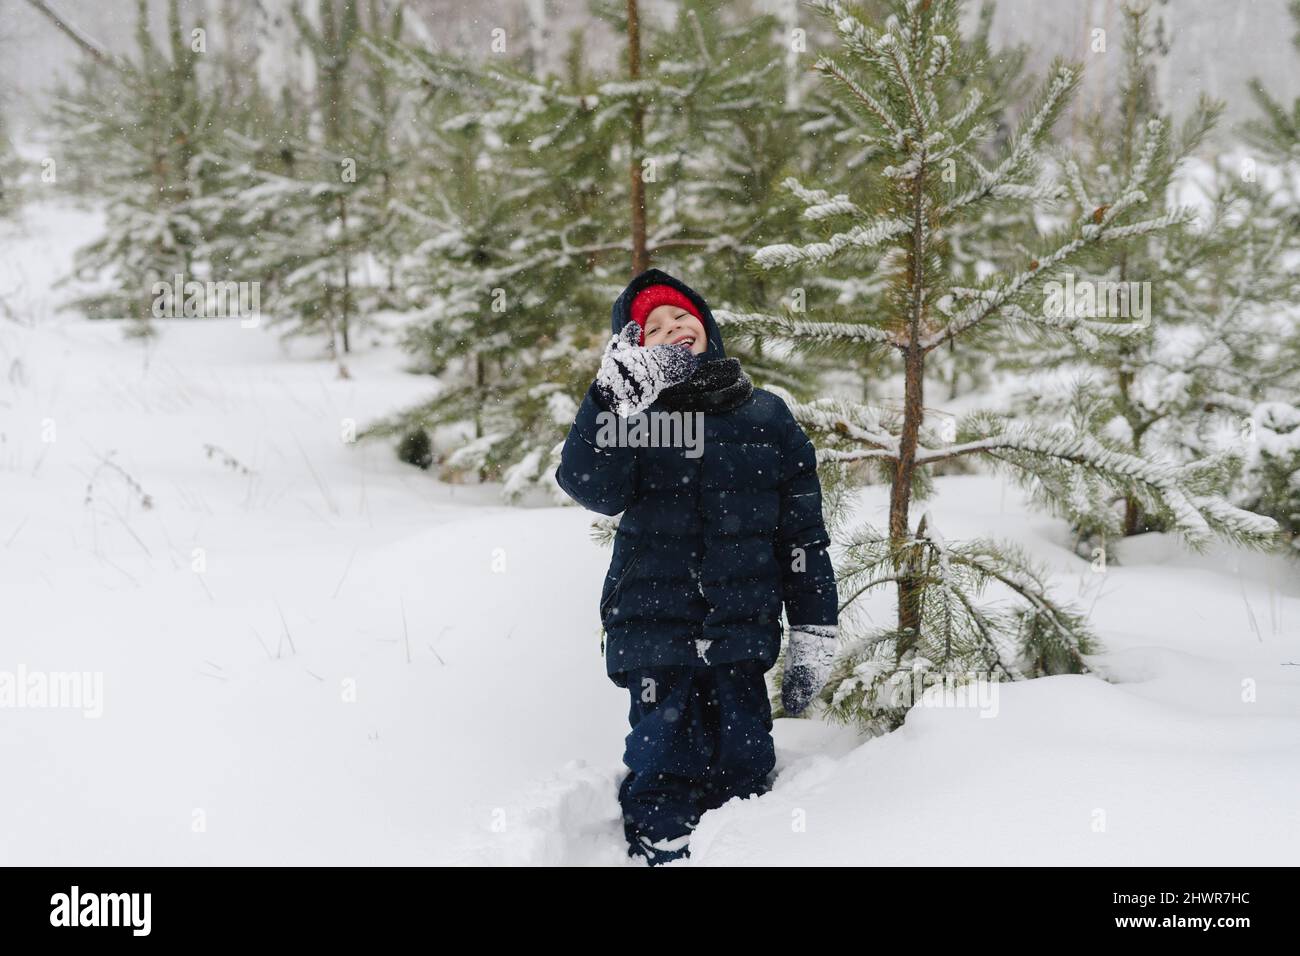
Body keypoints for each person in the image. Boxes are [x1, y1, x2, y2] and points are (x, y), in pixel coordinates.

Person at [554, 268, 839, 865]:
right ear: (634, 349)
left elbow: (803, 536)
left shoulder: (768, 416)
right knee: (664, 764)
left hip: (743, 629)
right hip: (655, 629)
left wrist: (815, 625)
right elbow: (590, 485)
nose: (672, 327)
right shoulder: (634, 415)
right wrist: (608, 399)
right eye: (652, 327)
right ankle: (661, 850)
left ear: (705, 325)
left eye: (681, 316)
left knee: (745, 766)